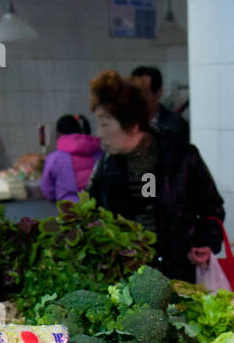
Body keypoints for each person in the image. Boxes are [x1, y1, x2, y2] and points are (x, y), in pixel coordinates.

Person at [86, 70, 223, 282]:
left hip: (179, 274)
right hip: (127, 280)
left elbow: (211, 207)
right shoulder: (106, 166)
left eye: (105, 123)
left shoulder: (181, 157)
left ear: (131, 125)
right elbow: (91, 213)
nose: (99, 133)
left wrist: (205, 241)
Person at [39, 114, 101, 204]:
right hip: (97, 206)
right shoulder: (99, 152)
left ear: (58, 134)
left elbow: (47, 190)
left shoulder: (55, 158)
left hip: (69, 211)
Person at [130, 66, 189, 142]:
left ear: (158, 92)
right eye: (134, 93)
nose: (138, 99)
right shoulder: (125, 123)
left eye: (144, 93)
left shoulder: (175, 124)